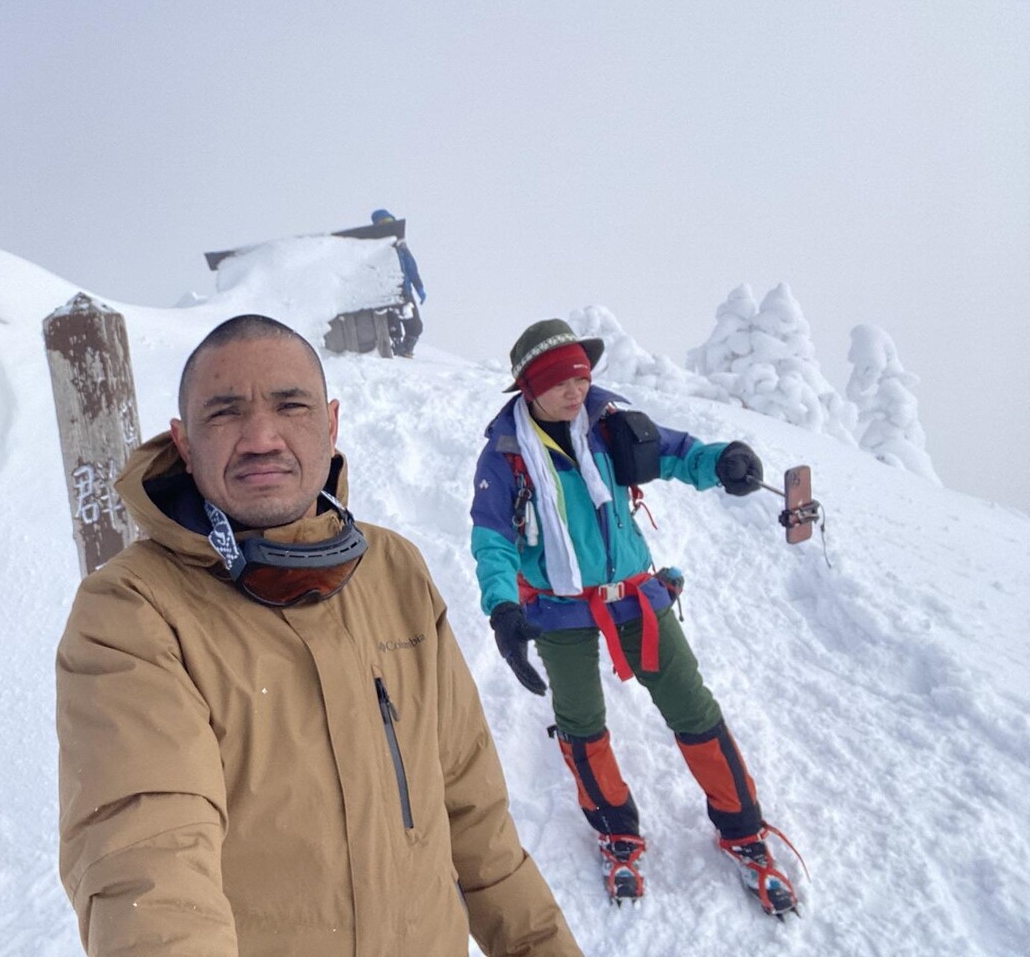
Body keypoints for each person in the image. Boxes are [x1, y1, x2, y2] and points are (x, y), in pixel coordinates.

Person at [56, 314, 582, 957]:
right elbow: (150, 867)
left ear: (330, 425)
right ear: (185, 444)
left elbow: (476, 823)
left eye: (290, 405)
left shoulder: (394, 571)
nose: (260, 437)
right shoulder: (133, 611)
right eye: (223, 414)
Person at [469, 318, 800, 916]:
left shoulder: (608, 423)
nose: (578, 389)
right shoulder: (506, 455)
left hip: (634, 597)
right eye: (562, 380)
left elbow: (674, 453)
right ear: (530, 388)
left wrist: (721, 461)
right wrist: (503, 609)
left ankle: (743, 828)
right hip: (559, 609)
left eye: (582, 376)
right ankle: (616, 830)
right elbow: (491, 537)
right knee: (581, 722)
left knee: (692, 707)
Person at [371, 208, 426, 357]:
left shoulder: (401, 246)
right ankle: (396, 349)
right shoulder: (374, 247)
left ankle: (407, 350)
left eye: (389, 221)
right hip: (388, 292)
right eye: (382, 222)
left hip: (405, 291)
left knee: (415, 327)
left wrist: (419, 287)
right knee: (393, 326)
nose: (386, 225)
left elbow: (411, 268)